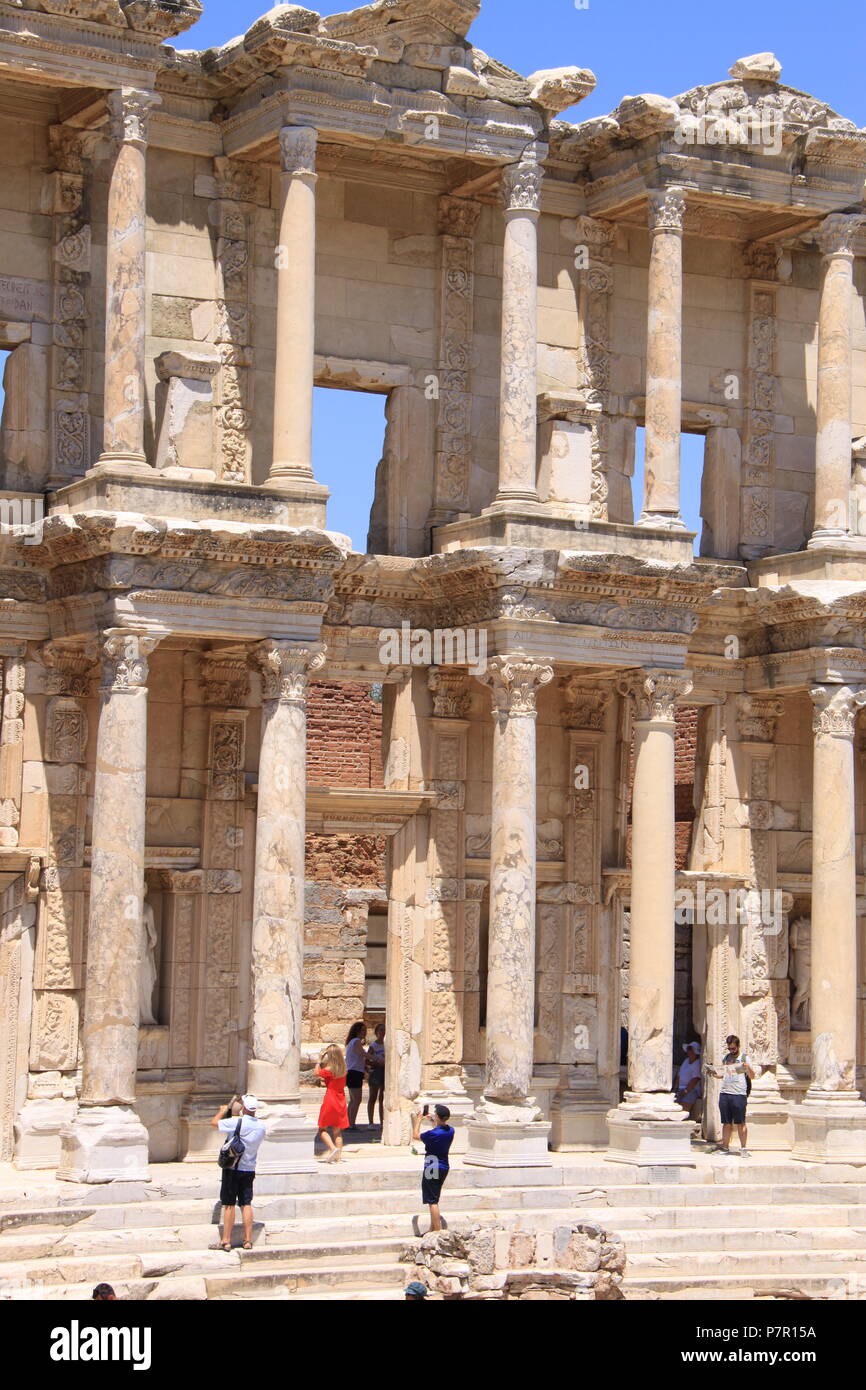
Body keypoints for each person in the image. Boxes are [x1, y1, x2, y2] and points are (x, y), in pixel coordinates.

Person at [211, 1093, 266, 1250]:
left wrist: (222, 1111)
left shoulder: (237, 1122)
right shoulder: (261, 1126)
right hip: (249, 1168)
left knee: (228, 1204)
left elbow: (214, 1123)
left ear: (244, 1108)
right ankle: (248, 1240)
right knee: (246, 1203)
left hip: (233, 1167)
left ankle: (226, 1240)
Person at [707, 1034, 755, 1155]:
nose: (731, 1051)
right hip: (725, 1092)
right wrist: (713, 1072)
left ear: (738, 1046)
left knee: (740, 1122)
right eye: (729, 1048)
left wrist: (747, 1067)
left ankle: (743, 1148)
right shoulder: (726, 1058)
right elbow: (723, 1074)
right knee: (726, 1122)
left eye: (733, 1048)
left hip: (738, 1094)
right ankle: (725, 1147)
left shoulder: (745, 1058)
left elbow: (753, 1076)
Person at [412, 1103, 454, 1234]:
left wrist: (418, 1120)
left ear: (438, 1117)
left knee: (432, 1201)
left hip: (432, 1166)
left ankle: (437, 1231)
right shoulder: (450, 1130)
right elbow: (439, 1128)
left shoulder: (432, 1134)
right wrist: (432, 1120)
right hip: (444, 1165)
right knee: (434, 1196)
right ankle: (432, 1227)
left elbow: (415, 1135)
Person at [315, 1043, 349, 1162]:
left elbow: (317, 1073)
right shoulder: (344, 1069)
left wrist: (319, 1060)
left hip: (330, 1098)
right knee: (337, 1131)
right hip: (341, 1098)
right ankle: (338, 1158)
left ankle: (332, 1148)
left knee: (322, 1128)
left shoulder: (329, 1070)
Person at [345, 1021, 368, 1129]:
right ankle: (352, 1124)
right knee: (357, 1100)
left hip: (351, 1073)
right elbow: (363, 1054)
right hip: (355, 1073)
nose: (364, 1033)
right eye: (362, 1030)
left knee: (353, 1100)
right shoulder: (356, 1041)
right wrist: (378, 1059)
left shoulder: (351, 1042)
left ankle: (349, 1123)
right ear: (357, 1031)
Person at [675, 1041, 703, 1118]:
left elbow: (695, 1079)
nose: (689, 1051)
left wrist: (686, 1090)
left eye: (690, 1049)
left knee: (683, 1110)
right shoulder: (686, 1061)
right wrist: (676, 1089)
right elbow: (679, 1075)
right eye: (688, 1049)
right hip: (681, 1089)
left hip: (692, 1090)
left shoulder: (697, 1063)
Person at [366, 1022, 386, 1128]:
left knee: (382, 1097)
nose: (383, 1032)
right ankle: (371, 1122)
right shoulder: (373, 1046)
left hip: (385, 1072)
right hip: (375, 1072)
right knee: (373, 1097)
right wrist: (376, 1062)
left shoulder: (387, 1045)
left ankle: (383, 1122)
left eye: (384, 1030)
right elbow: (367, 1061)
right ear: (376, 1033)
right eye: (381, 1030)